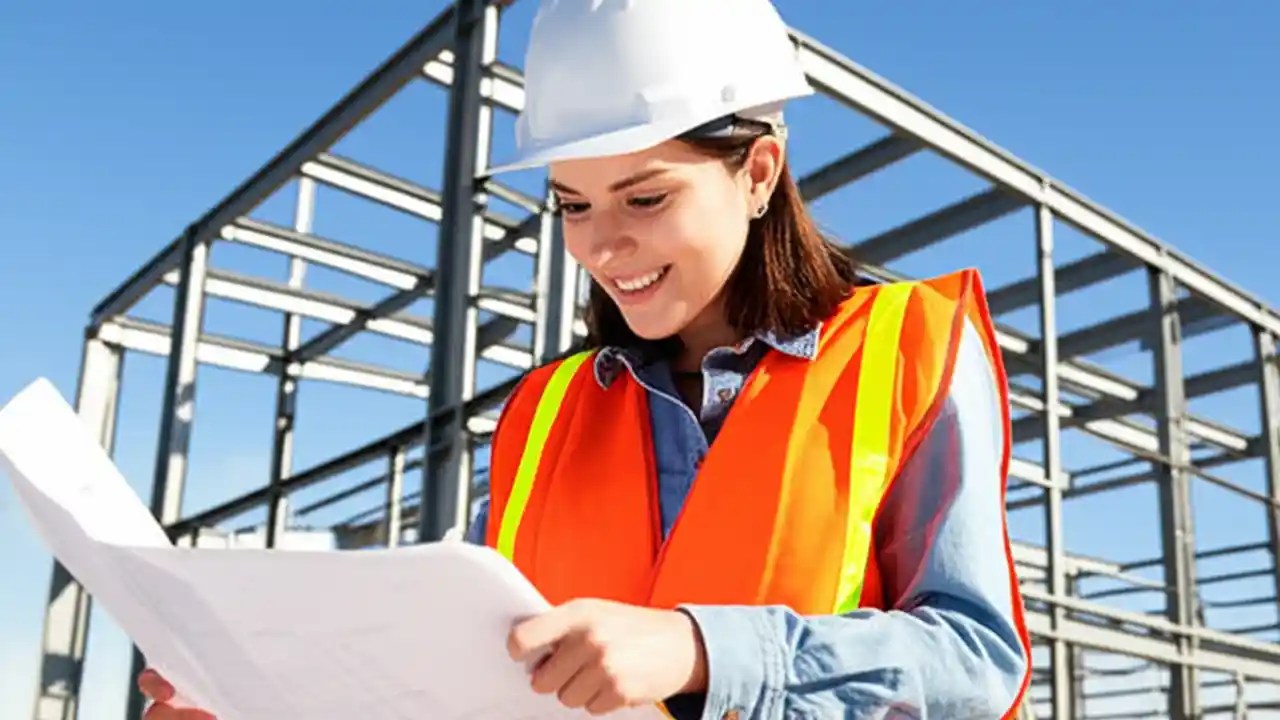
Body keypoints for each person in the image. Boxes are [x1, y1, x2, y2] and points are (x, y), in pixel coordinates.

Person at [139, 0, 1032, 718]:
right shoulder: (543, 413)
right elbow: (482, 688)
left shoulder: (908, 348)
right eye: (572, 204)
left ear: (758, 173)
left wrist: (698, 651)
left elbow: (976, 660)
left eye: (644, 198)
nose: (603, 248)